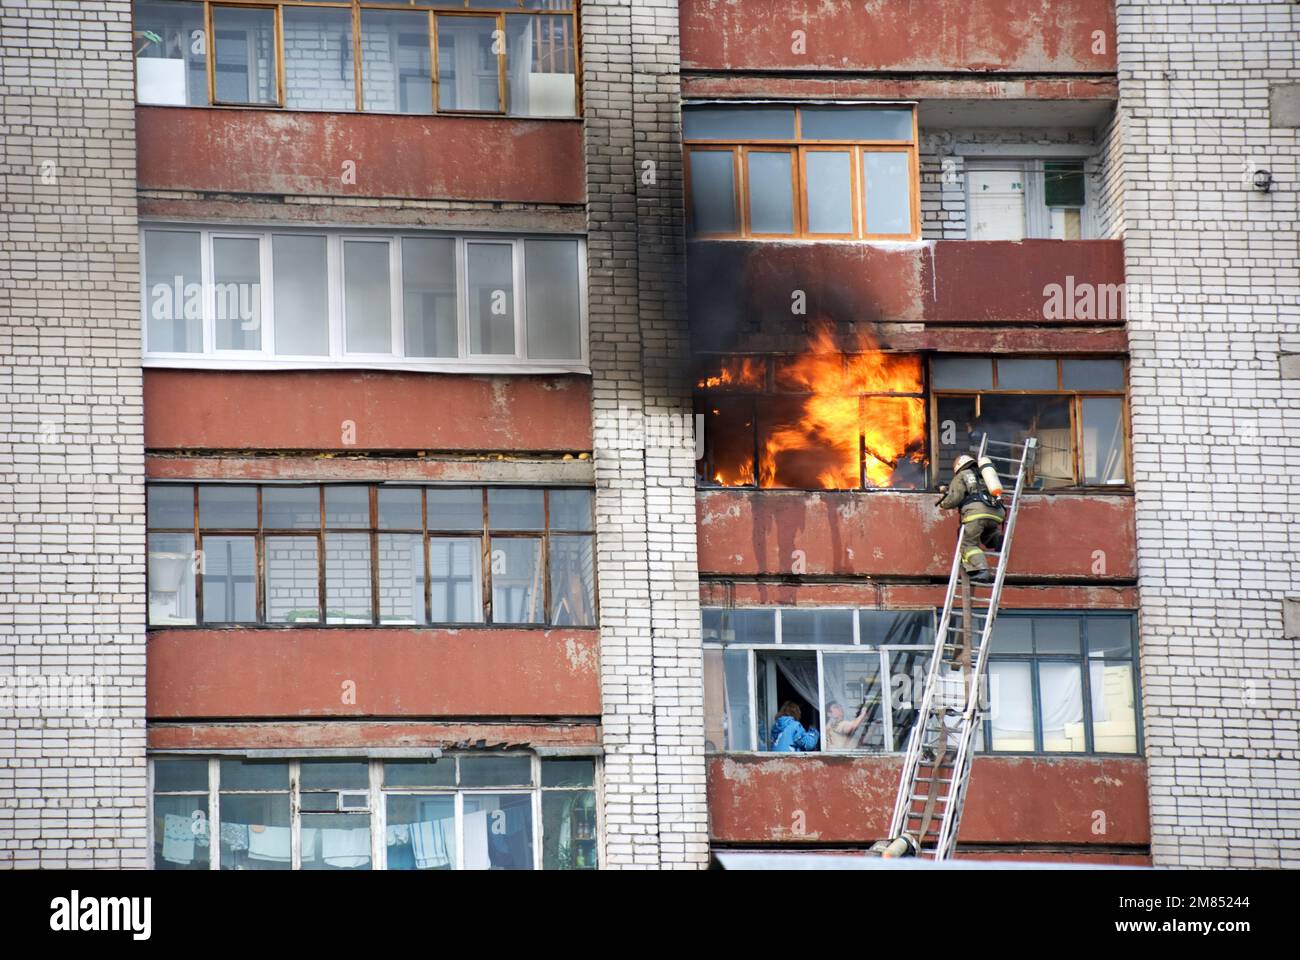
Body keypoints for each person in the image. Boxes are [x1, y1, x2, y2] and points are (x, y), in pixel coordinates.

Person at [937, 454, 1005, 584]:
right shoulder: (985, 475)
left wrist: (943, 503)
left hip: (976, 513)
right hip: (996, 512)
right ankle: (997, 540)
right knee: (986, 531)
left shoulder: (962, 475)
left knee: (967, 544)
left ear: (958, 466)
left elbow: (954, 498)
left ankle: (982, 570)